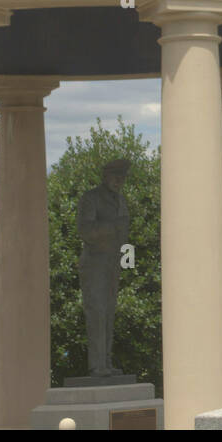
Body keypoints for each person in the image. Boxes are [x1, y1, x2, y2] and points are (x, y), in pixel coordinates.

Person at [77, 158, 131, 376]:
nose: (119, 181)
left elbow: (126, 235)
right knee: (97, 312)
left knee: (109, 313)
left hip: (112, 263)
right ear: (106, 176)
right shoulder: (91, 199)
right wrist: (111, 227)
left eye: (122, 177)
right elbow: (85, 231)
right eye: (116, 176)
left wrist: (127, 260)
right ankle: (96, 365)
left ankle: (106, 363)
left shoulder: (121, 201)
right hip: (95, 263)